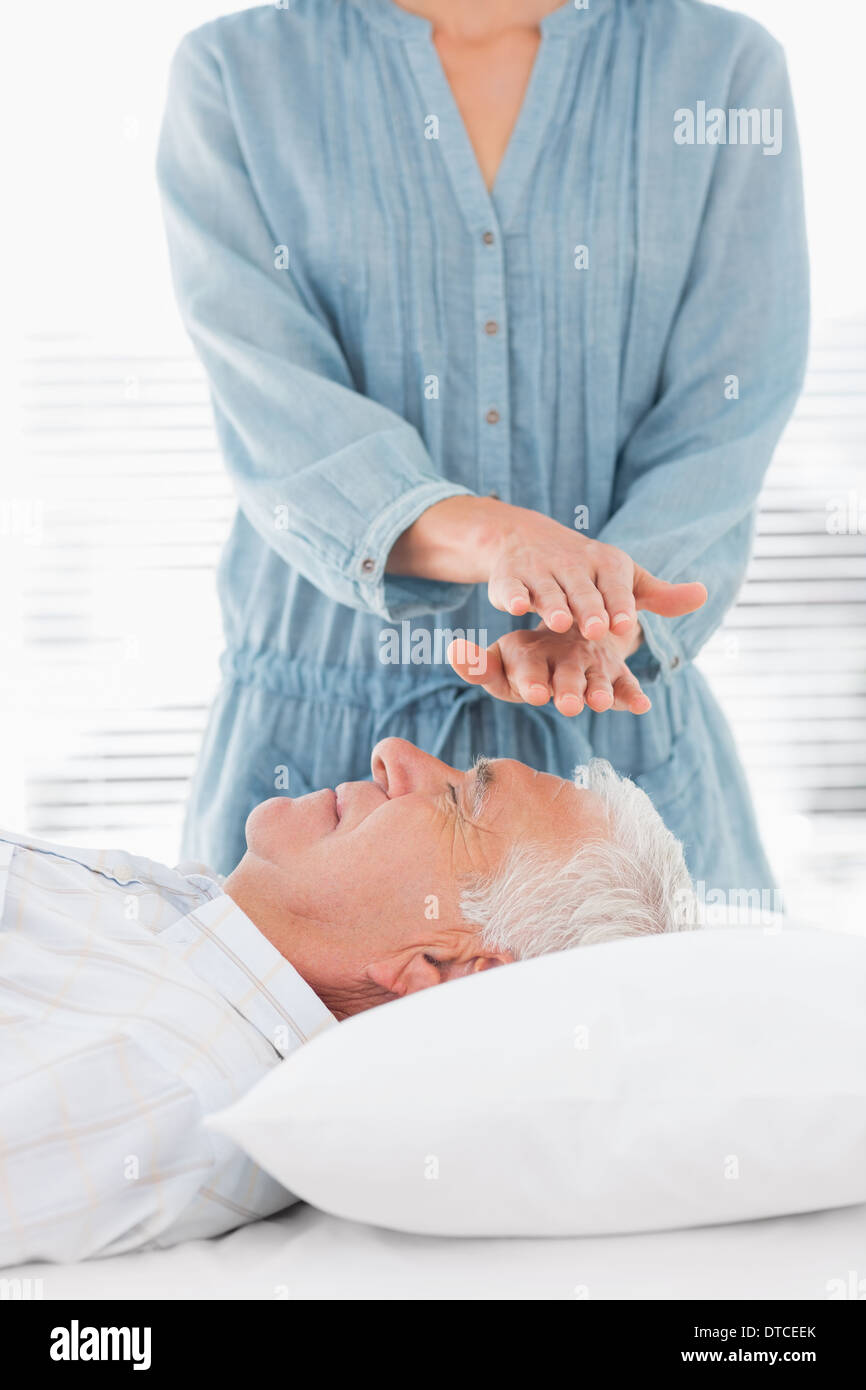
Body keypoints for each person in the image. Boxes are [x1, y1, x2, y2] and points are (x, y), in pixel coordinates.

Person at [156, 0, 808, 916]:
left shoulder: (724, 70)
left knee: (662, 1055)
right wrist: (503, 541)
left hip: (612, 755)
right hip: (317, 761)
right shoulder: (236, 73)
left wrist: (606, 610)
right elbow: (273, 397)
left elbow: (730, 405)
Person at [0, 738, 694, 1265]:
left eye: (457, 801)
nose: (394, 753)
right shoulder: (196, 934)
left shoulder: (154, 1078)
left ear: (441, 968)